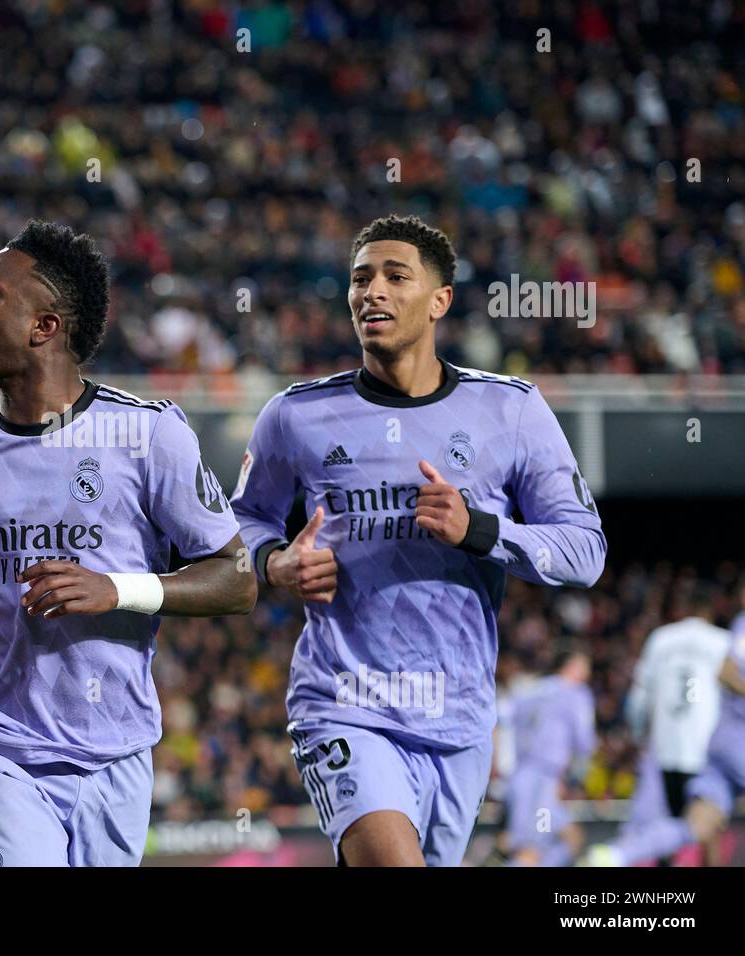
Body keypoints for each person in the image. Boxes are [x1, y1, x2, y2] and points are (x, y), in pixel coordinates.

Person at [0, 220, 256, 866]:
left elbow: (237, 578)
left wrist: (116, 589)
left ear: (44, 327)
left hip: (114, 750)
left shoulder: (147, 436)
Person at [231, 214, 607, 866]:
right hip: (344, 704)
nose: (370, 291)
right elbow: (242, 520)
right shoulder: (296, 414)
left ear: (439, 301)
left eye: (394, 276)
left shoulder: (511, 410)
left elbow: (584, 553)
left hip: (460, 722)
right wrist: (274, 561)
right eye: (359, 279)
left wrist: (479, 530)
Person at [609, 585, 731, 865]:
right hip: (704, 752)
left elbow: (639, 700)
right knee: (708, 826)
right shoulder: (723, 641)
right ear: (711, 611)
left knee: (668, 826)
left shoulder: (661, 639)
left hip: (664, 750)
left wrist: (639, 737)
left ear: (686, 610)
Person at [503, 646, 595, 866]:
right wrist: (577, 778)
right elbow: (584, 741)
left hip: (521, 777)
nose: (588, 673)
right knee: (531, 849)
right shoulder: (575, 693)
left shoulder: (529, 689)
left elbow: (502, 721)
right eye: (585, 666)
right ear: (572, 665)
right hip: (543, 781)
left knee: (572, 836)